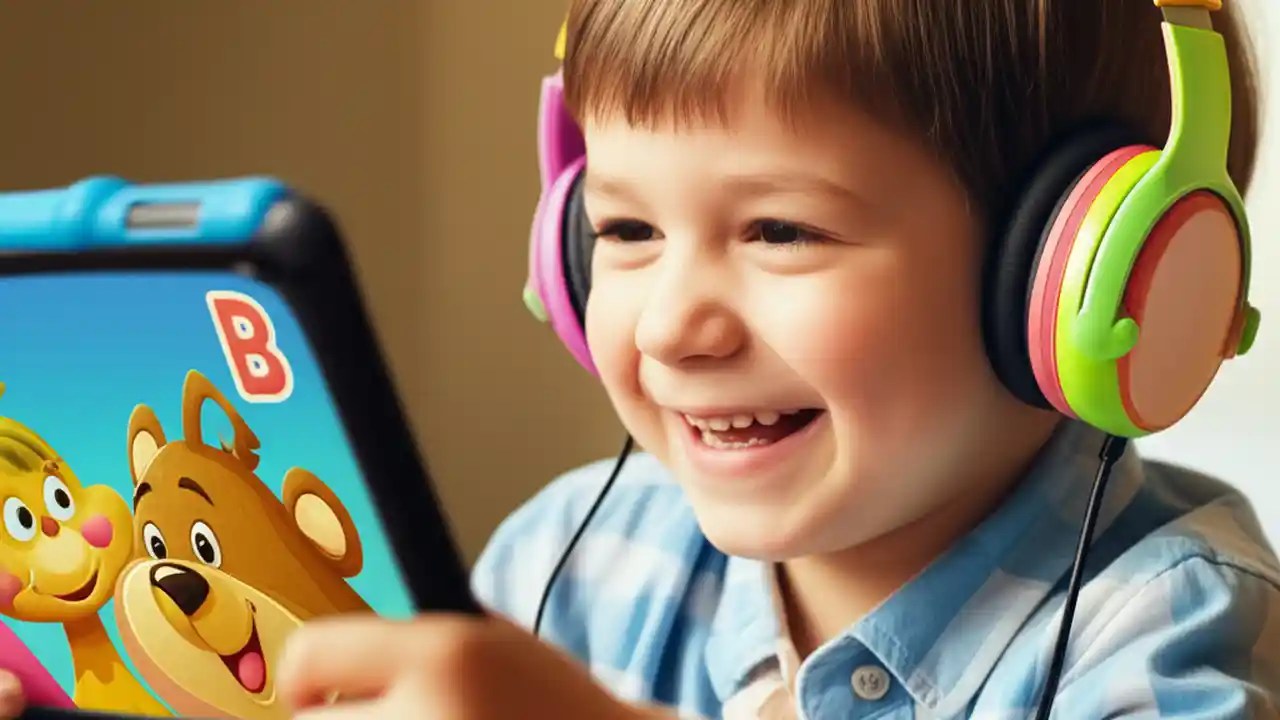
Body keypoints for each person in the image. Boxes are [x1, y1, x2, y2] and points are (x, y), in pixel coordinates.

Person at [3, 0, 1279, 718]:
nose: (672, 325)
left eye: (779, 230)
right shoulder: (571, 561)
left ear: (1088, 281)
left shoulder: (1169, 625)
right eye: (621, 229)